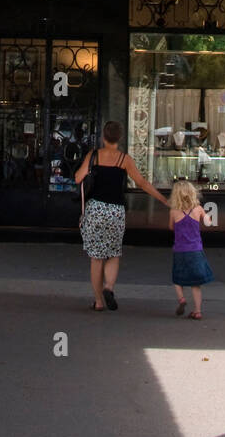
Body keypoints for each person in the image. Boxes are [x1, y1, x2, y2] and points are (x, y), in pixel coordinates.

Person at [74, 121, 170, 311]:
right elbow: (142, 183)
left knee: (96, 258)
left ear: (103, 136)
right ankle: (109, 287)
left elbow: (78, 178)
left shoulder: (94, 155)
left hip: (95, 210)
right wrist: (164, 200)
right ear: (120, 138)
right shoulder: (124, 159)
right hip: (115, 211)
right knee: (113, 254)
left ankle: (99, 301)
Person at [169, 180, 214, 319]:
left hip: (180, 250)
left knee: (177, 277)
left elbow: (171, 227)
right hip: (195, 249)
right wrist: (208, 217)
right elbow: (208, 223)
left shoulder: (174, 211)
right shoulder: (198, 209)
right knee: (196, 284)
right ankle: (198, 311)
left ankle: (181, 298)